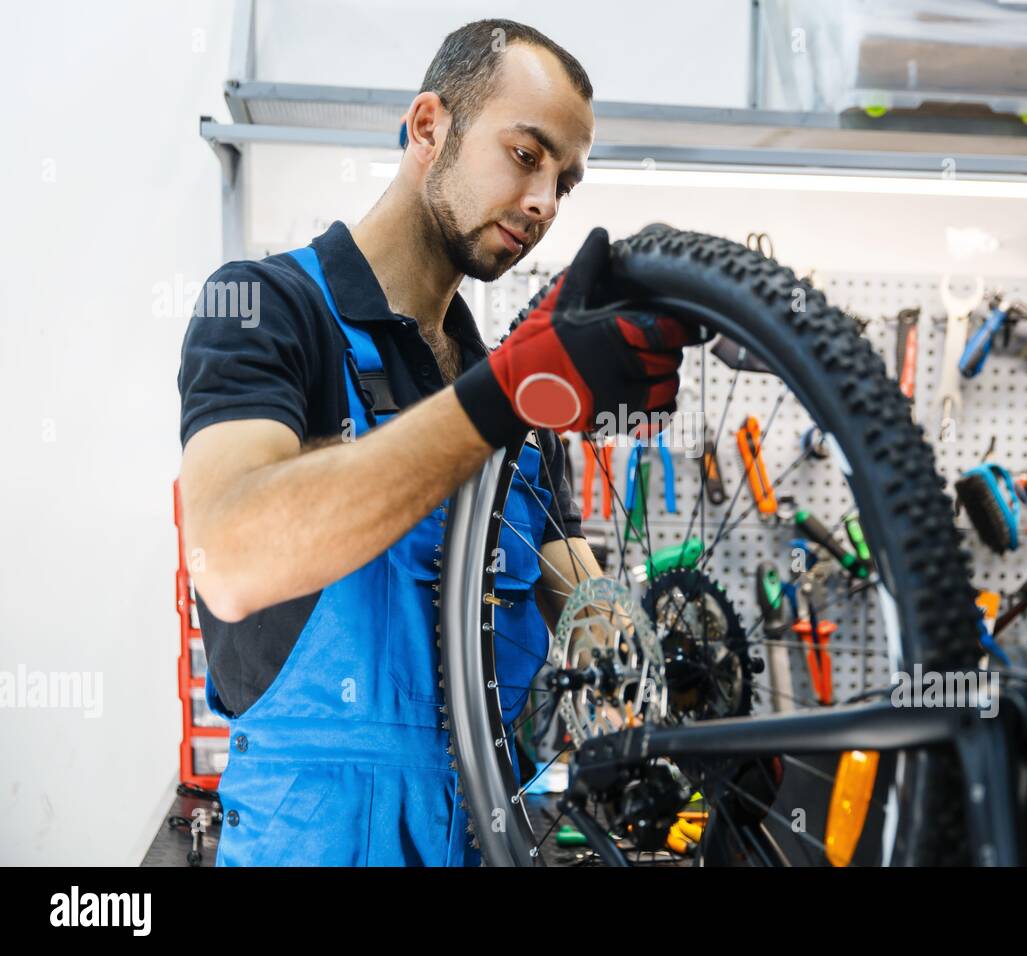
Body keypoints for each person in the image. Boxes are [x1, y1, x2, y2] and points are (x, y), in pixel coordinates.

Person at [176, 18, 690, 866]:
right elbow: (230, 556)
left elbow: (562, 567)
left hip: (490, 835)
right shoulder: (267, 309)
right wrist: (503, 396)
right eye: (527, 155)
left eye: (566, 181)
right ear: (428, 128)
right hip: (316, 841)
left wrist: (667, 697)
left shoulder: (501, 378)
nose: (544, 203)